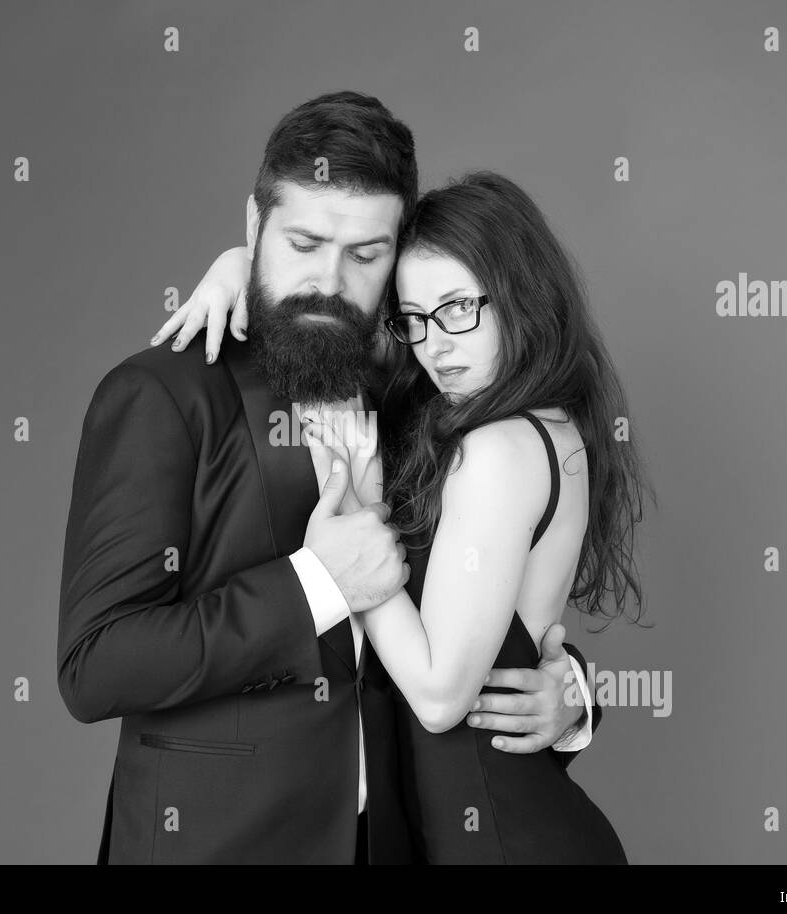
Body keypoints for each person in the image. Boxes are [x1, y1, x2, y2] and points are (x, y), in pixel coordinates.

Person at [59, 91, 601, 865]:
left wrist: (571, 695)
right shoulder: (164, 396)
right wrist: (317, 582)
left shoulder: (415, 385)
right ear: (254, 229)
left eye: (365, 255)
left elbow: (482, 602)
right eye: (304, 241)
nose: (329, 281)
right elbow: (95, 664)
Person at [160, 166, 651, 863]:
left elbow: (440, 695)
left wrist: (357, 531)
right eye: (416, 318)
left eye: (458, 308)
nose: (435, 345)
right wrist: (237, 264)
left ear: (523, 297)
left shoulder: (500, 447)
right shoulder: (503, 423)